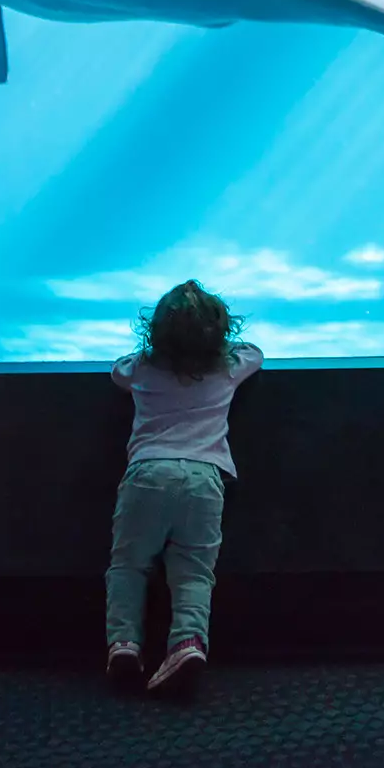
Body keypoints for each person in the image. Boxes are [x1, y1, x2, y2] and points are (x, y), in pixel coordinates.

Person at [104, 280, 263, 698]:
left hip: (147, 474)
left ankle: (124, 643)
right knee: (193, 572)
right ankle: (187, 644)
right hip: (204, 479)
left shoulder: (141, 368)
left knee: (128, 565)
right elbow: (256, 355)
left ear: (153, 331)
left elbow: (117, 369)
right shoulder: (228, 369)